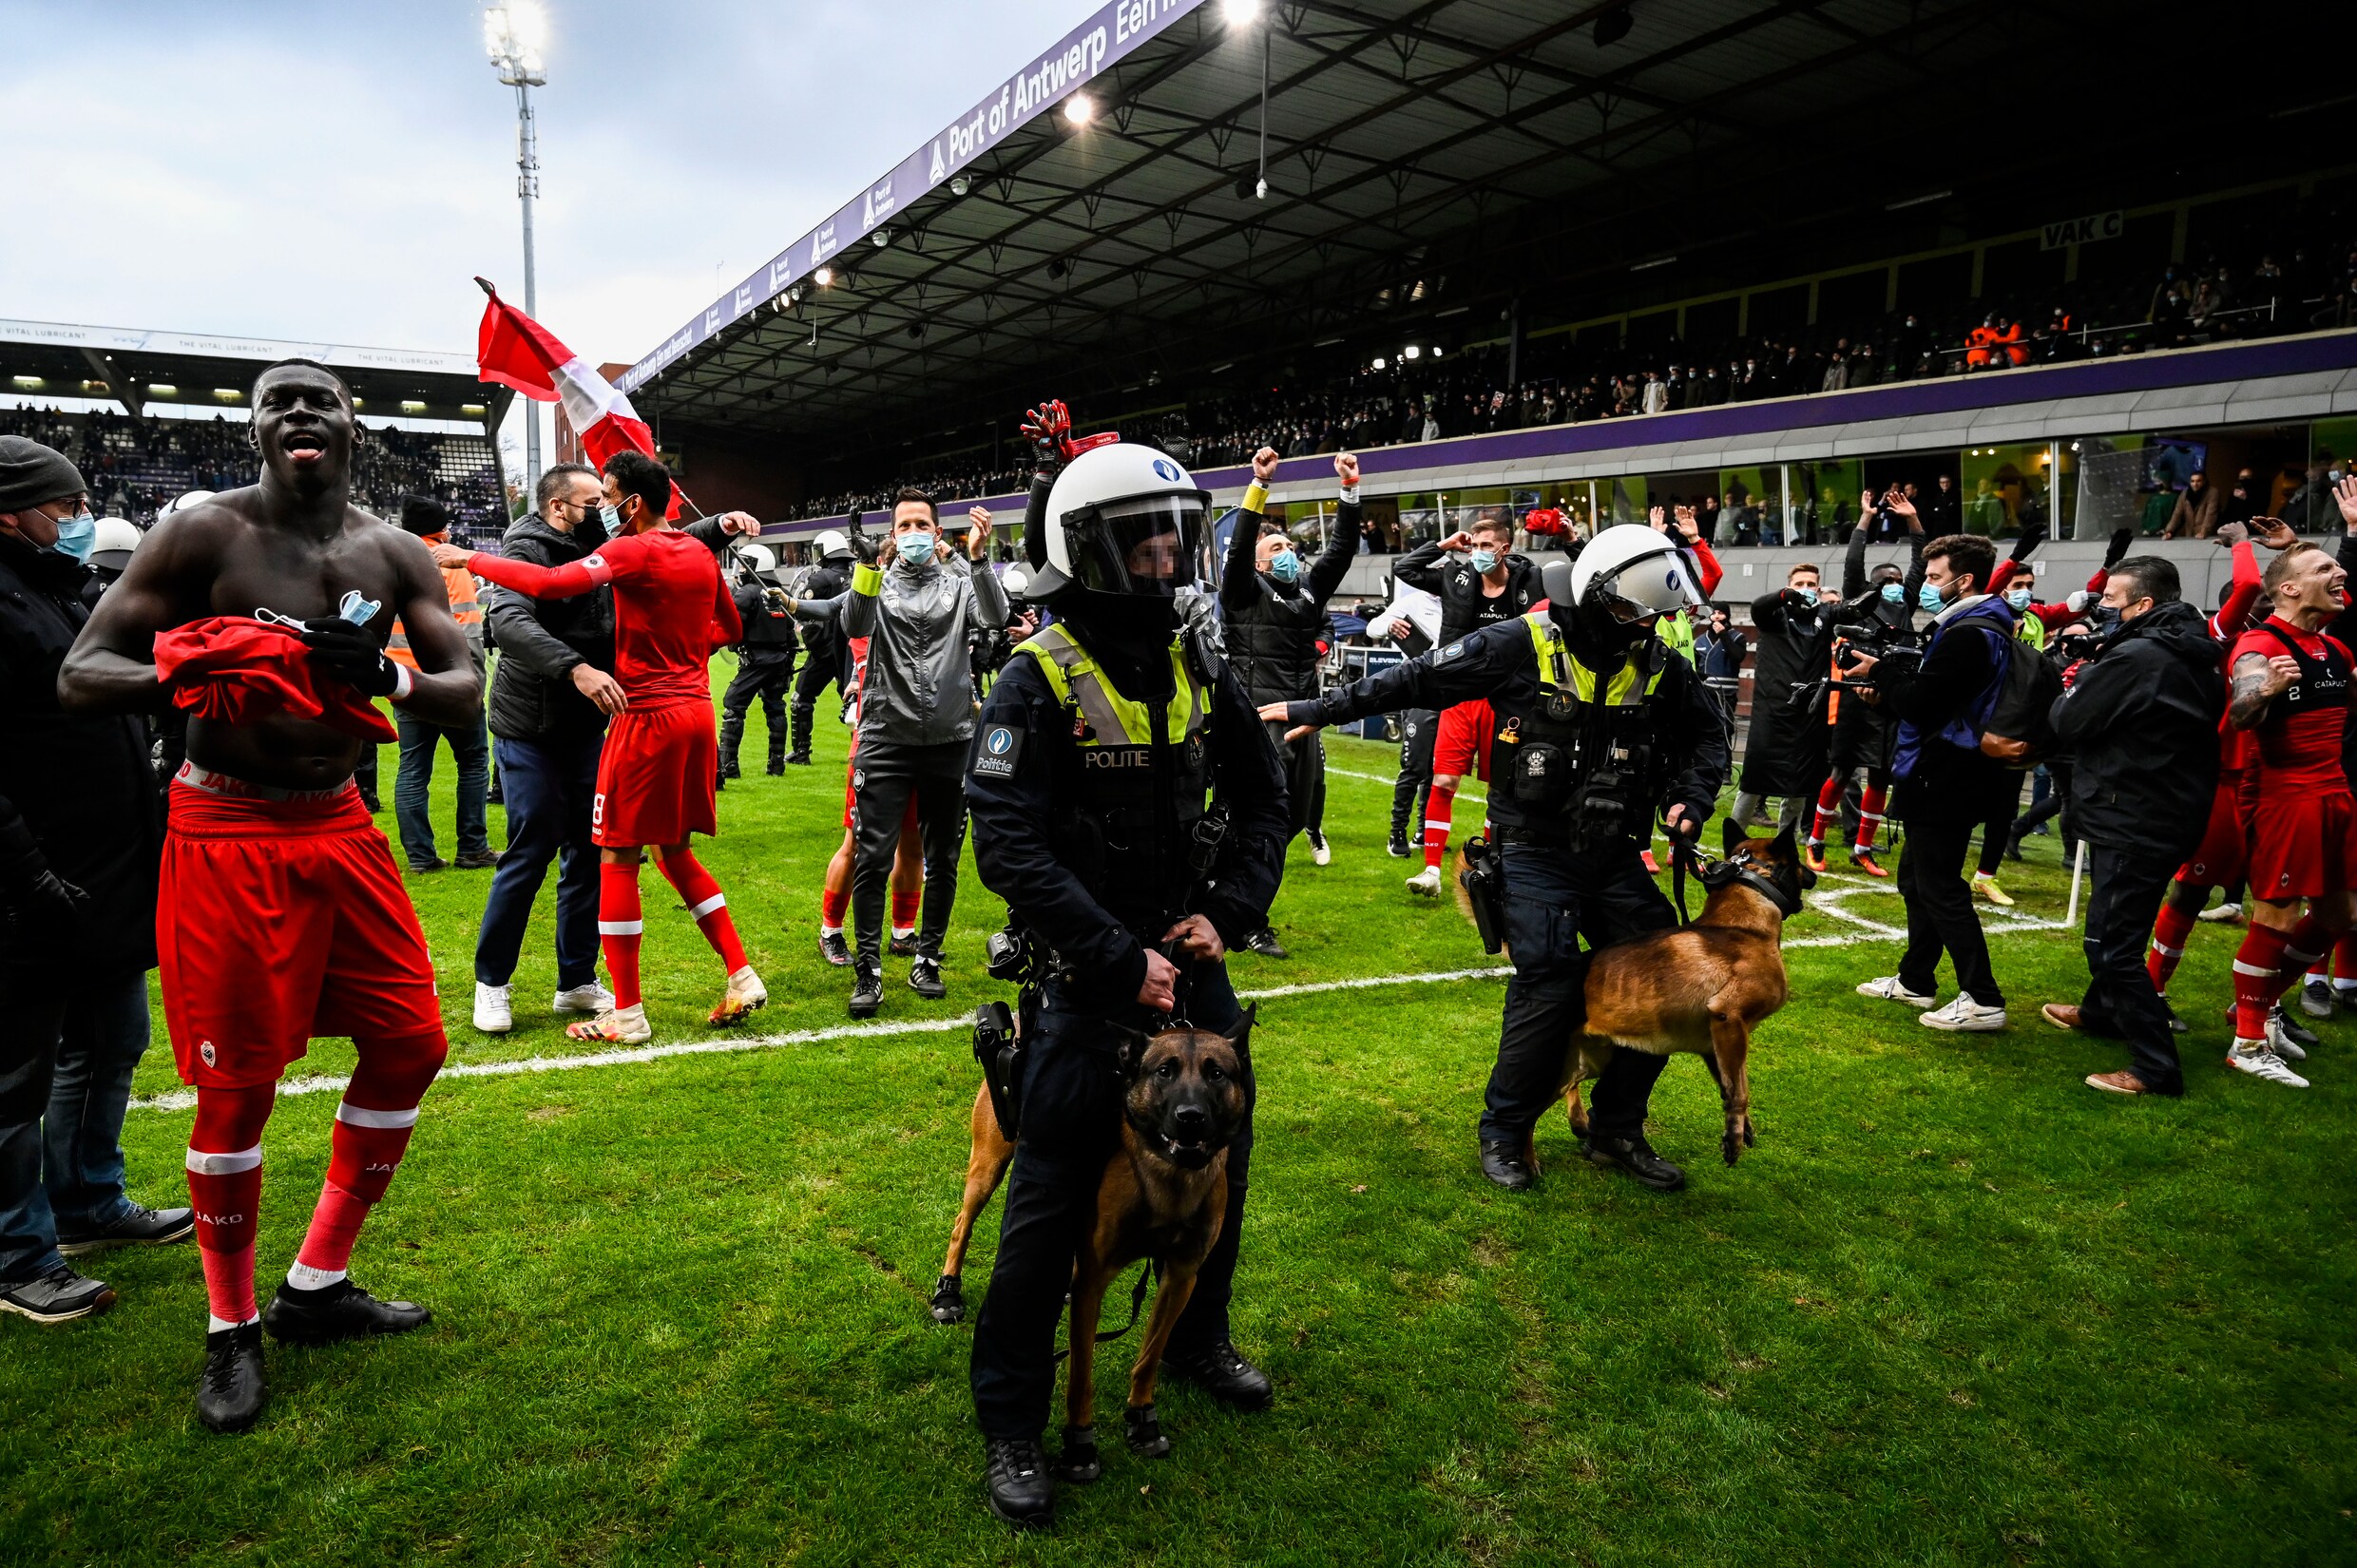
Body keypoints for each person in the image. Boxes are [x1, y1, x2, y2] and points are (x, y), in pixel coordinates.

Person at [58, 358, 477, 1432]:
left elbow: (464, 683)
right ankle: (230, 1324)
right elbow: (81, 670)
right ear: (252, 430)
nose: (299, 413)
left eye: (318, 399)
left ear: (350, 425)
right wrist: (198, 669)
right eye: (277, 401)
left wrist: (384, 679)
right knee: (235, 1084)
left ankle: (316, 1285)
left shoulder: (389, 550)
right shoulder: (204, 535)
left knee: (410, 1041)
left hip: (337, 818)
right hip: (225, 824)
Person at [965, 417, 1288, 1531]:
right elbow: (1001, 840)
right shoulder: (1036, 672)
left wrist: (1230, 911)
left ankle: (1197, 1342)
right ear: (1083, 549)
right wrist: (1114, 954)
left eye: (1174, 539)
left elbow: (1264, 796)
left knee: (1225, 1158)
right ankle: (1012, 1419)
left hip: (1186, 961)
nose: (1165, 560)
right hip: (1084, 976)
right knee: (1047, 1192)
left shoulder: (1199, 658)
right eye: (1142, 543)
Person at [1266, 524, 1728, 1195]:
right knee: (1549, 982)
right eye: (1633, 607)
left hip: (1615, 854)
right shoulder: (1523, 642)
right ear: (1597, 594)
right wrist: (1320, 706)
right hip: (1533, 849)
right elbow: (1422, 678)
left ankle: (1616, 1128)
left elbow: (1708, 739)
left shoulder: (1660, 664)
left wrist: (1692, 795)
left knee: (1664, 983)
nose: (1645, 621)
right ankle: (1505, 1133)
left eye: (1653, 610)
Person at [440, 449, 766, 1045]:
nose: (605, 508)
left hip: (639, 717)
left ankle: (627, 1013)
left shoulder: (623, 549)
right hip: (692, 713)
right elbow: (730, 629)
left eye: (609, 495)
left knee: (613, 853)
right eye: (595, 499)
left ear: (631, 502)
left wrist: (468, 557)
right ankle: (741, 975)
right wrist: (680, 648)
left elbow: (548, 583)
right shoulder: (693, 551)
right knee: (670, 851)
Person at [0, 436, 187, 1327]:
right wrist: (26, 869)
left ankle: (85, 1203)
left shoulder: (62, 588)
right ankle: (16, 1252)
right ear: (11, 509)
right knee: (12, 1082)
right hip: (25, 885)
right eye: (64, 507)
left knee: (110, 1043)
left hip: (104, 876)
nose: (79, 521)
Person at [2036, 557, 2223, 1094]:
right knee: (2122, 928)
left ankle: (2155, 1065)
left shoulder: (2140, 655)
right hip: (2165, 807)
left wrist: (2080, 675)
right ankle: (2102, 1012)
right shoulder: (2193, 651)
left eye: (2112, 600)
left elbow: (2069, 720)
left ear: (2144, 605)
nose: (2102, 610)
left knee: (2113, 944)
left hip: (2135, 812)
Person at [834, 488, 1009, 1015]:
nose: (912, 533)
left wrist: (978, 557)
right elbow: (853, 625)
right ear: (893, 535)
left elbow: (996, 616)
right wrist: (866, 566)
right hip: (887, 739)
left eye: (920, 525)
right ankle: (868, 969)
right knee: (872, 857)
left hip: (951, 741)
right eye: (903, 525)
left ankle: (926, 957)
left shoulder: (958, 585)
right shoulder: (878, 585)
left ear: (936, 534)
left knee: (944, 859)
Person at [469, 462, 623, 1035]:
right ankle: (492, 983)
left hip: (584, 729)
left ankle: (576, 980)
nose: (603, 512)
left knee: (587, 850)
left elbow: (662, 543)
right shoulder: (525, 549)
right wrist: (575, 668)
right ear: (560, 508)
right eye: (593, 503)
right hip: (528, 729)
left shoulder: (600, 545)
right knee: (530, 847)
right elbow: (508, 621)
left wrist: (722, 528)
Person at [1846, 533, 2018, 1031]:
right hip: (1944, 771)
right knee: (1917, 881)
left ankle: (1983, 996)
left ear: (1963, 581)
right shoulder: (1981, 623)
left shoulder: (1970, 631)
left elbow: (1924, 704)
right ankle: (1917, 979)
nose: (1929, 586)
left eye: (1937, 577)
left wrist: (1880, 673)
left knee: (1940, 887)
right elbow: (1934, 698)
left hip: (1947, 775)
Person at [2213, 539, 2357, 1087]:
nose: (2339, 572)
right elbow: (2243, 709)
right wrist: (2265, 690)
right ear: (2290, 588)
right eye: (2326, 568)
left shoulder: (2334, 648)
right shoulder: (2259, 643)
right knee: (2274, 913)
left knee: (2341, 915)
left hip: (2335, 792)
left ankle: (2257, 1004)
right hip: (2286, 796)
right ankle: (2247, 1041)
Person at [1218, 449, 1365, 945]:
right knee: (1259, 817)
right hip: (1258, 716)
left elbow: (1342, 551)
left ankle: (1238, 903)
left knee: (1294, 819)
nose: (1286, 552)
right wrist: (1258, 486)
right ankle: (1248, 919)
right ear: (1259, 564)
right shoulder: (1242, 592)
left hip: (1304, 716)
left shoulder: (1307, 592)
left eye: (1288, 545)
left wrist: (1349, 492)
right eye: (1275, 547)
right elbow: (1238, 549)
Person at [1390, 504, 1542, 897]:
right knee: (1443, 780)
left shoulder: (1531, 582)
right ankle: (1432, 871)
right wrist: (1443, 545)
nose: (1478, 550)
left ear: (1505, 548)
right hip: (1461, 694)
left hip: (1507, 702)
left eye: (1486, 544)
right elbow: (1404, 569)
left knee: (1502, 787)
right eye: (1474, 544)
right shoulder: (1456, 577)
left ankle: (1496, 865)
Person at [1805, 489, 1925, 877]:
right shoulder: (1861, 598)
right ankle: (1816, 841)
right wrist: (1865, 518)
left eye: (1896, 579)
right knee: (1841, 774)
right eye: (1887, 579)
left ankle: (1862, 848)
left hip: (1891, 696)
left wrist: (1913, 519)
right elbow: (1853, 562)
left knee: (1879, 776)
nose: (1894, 583)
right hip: (1857, 695)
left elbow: (1919, 560)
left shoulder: (1905, 603)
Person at [386, 496, 495, 872]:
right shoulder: (452, 565)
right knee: (473, 762)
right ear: (441, 528)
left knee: (413, 768)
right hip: (453, 684)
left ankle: (420, 856)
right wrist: (475, 687)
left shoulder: (391, 563)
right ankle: (473, 847)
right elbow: (468, 636)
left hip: (408, 684)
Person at [1733, 562, 1834, 834]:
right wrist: (1781, 596)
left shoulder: (1823, 616)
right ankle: (1732, 842)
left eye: (1811, 584)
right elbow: (1758, 607)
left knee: (1798, 787)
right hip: (1772, 713)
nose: (1805, 589)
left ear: (1819, 587)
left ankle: (1785, 847)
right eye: (1799, 584)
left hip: (1808, 716)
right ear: (1789, 585)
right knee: (1753, 783)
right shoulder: (1775, 615)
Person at [718, 542, 798, 784]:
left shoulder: (747, 593)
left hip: (754, 660)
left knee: (733, 705)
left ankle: (729, 765)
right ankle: (776, 765)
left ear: (751, 566)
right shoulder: (781, 594)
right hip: (780, 661)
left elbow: (733, 627)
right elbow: (791, 634)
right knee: (775, 708)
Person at [783, 529, 855, 764]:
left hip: (824, 650)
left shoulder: (820, 578)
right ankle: (862, 750)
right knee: (854, 701)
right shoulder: (857, 576)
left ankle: (801, 752)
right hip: (850, 650)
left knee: (802, 696)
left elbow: (806, 606)